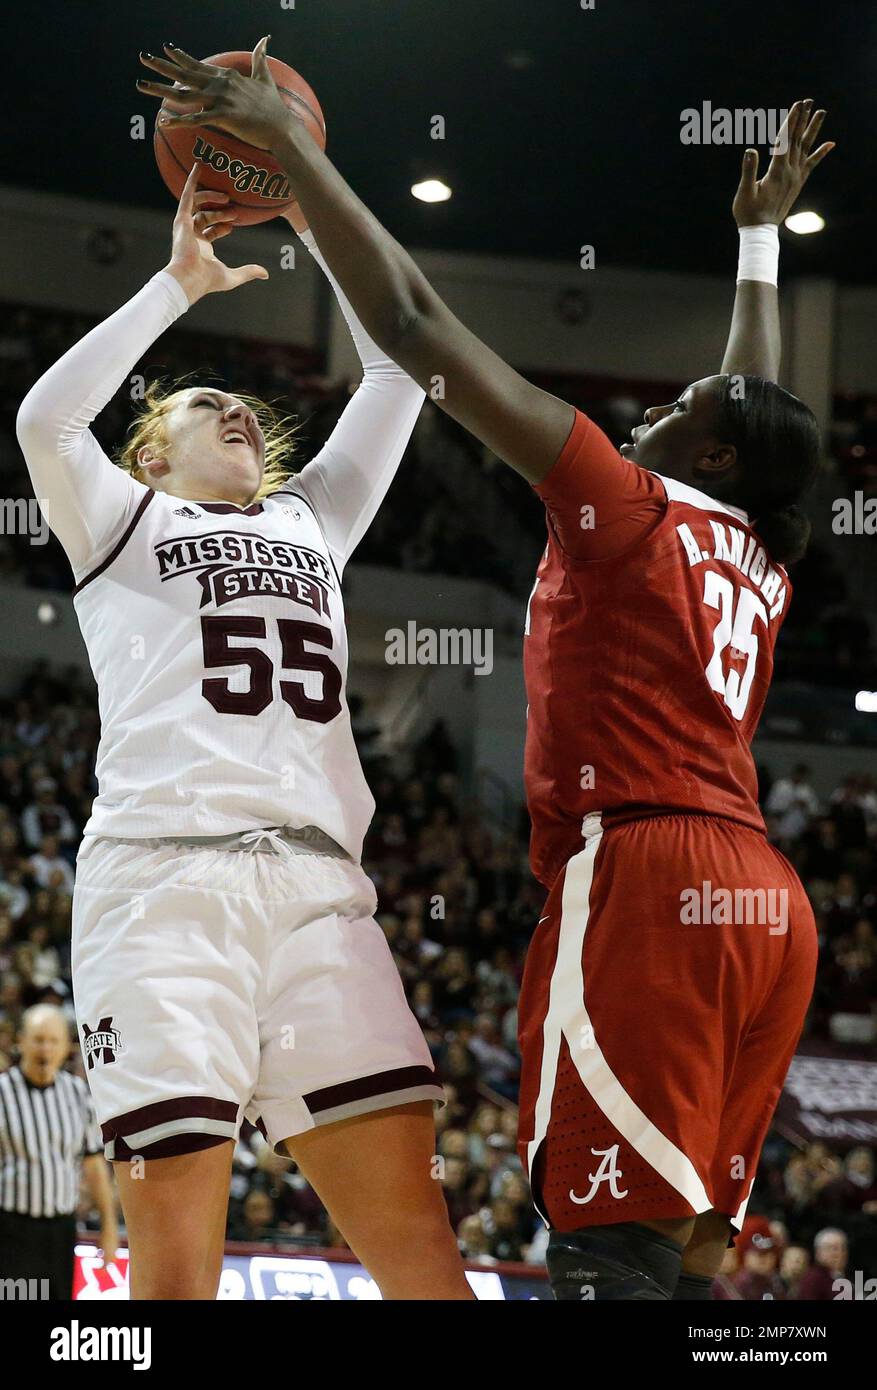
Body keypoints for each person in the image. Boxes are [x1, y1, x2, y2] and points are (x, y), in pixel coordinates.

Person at [139, 43, 834, 1300]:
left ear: (711, 458)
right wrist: (757, 250)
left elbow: (409, 326)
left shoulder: (626, 505)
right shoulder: (763, 545)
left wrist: (293, 161)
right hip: (767, 907)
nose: (647, 416)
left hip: (650, 872)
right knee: (688, 1263)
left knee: (603, 1258)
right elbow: (757, 408)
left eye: (675, 408)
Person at [16, 169, 471, 1300]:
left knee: (425, 1261)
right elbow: (45, 419)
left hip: (321, 895)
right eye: (196, 407)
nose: (231, 410)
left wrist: (312, 206)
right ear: (149, 458)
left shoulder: (310, 517)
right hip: (164, 890)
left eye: (240, 407)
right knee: (175, 1282)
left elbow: (397, 364)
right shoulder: (123, 517)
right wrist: (176, 284)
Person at [0, 1004, 117, 1299]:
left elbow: (93, 1165)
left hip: (61, 1231)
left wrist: (109, 1226)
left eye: (54, 1041)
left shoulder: (77, 1094)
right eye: (38, 1039)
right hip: (11, 1229)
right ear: (21, 1041)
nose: (46, 1049)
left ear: (66, 1046)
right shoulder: (2, 1093)